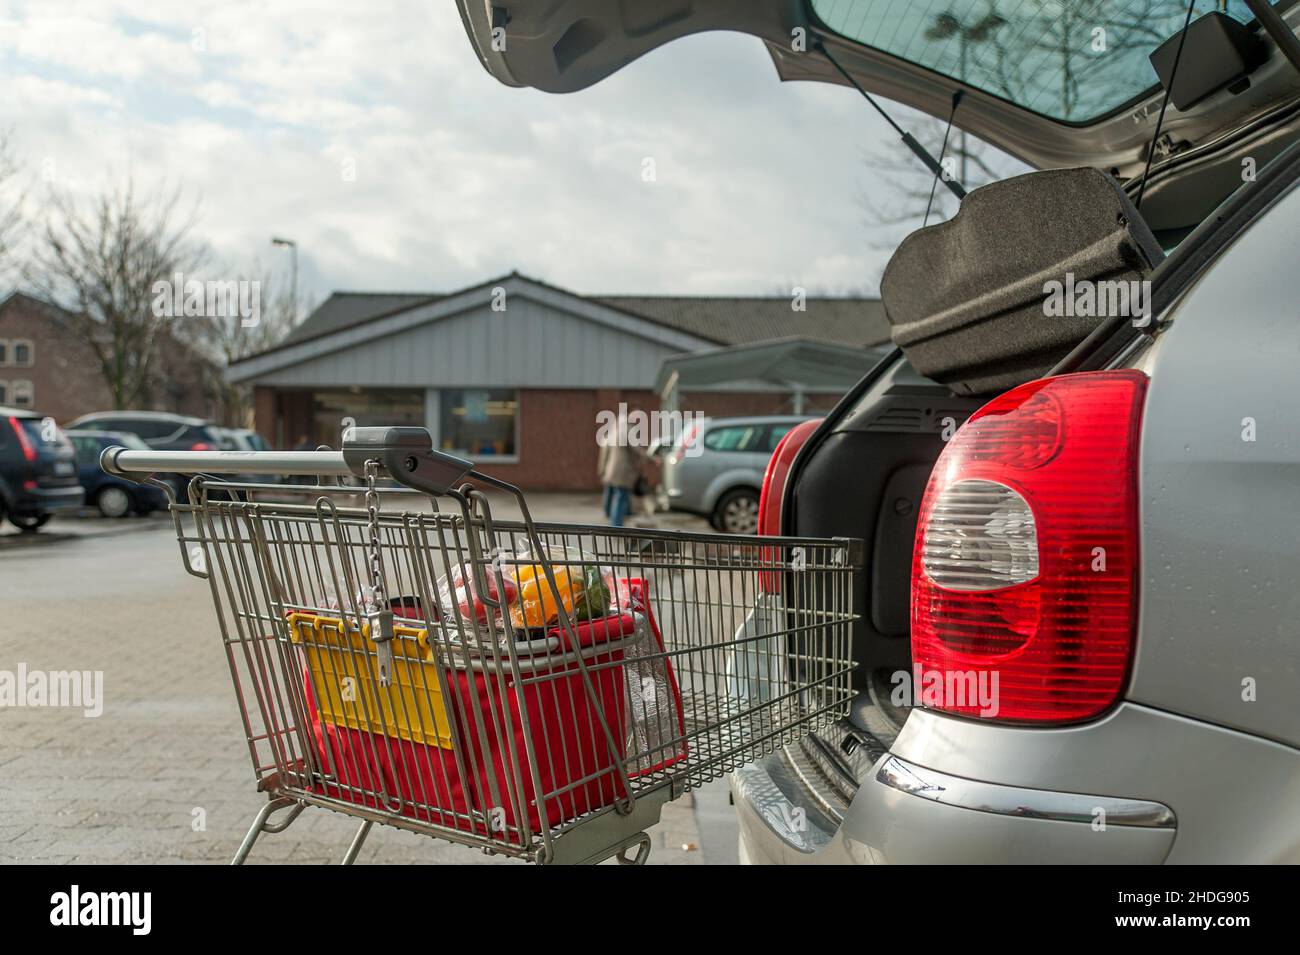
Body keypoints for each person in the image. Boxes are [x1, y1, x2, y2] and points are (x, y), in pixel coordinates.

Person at [598, 414, 644, 528]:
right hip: (623, 470)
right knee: (621, 496)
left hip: (611, 469)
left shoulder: (612, 433)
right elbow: (636, 449)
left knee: (613, 493)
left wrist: (601, 469)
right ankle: (616, 525)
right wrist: (649, 457)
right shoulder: (627, 431)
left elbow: (604, 453)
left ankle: (611, 514)